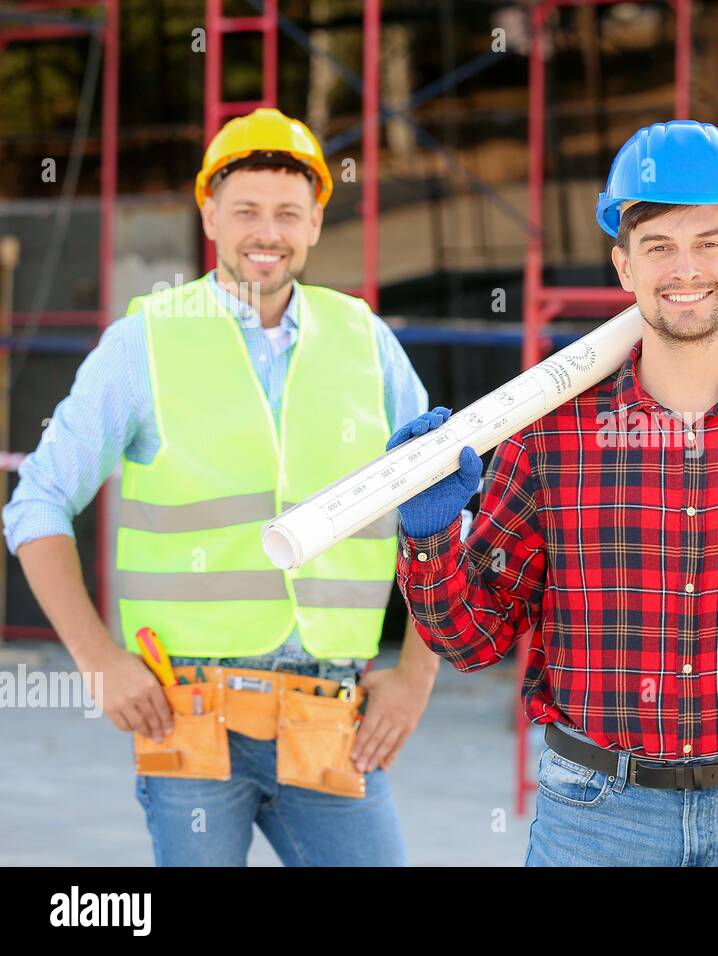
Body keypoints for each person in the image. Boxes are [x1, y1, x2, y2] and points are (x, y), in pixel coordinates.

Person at [389, 120, 718, 866]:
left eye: (708, 240)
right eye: (659, 246)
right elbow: (470, 640)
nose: (686, 267)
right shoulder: (550, 437)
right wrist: (430, 536)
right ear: (623, 266)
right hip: (596, 818)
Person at [5, 107, 437, 866]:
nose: (265, 232)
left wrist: (417, 675)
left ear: (312, 224)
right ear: (209, 215)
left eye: (286, 213)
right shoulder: (145, 341)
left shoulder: (365, 341)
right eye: (245, 210)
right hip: (188, 718)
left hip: (333, 712)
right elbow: (36, 503)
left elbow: (439, 511)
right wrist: (98, 659)